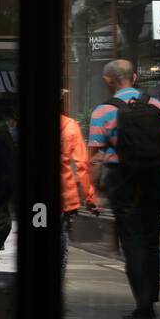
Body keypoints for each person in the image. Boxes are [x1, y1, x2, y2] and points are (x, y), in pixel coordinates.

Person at [88, 59, 160, 319]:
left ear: (109, 80)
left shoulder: (103, 111)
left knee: (132, 240)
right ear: (134, 77)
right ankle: (150, 300)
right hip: (155, 178)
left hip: (123, 180)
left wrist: (92, 191)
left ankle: (143, 306)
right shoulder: (157, 105)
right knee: (151, 240)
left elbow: (96, 159)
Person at [61, 103, 99, 277]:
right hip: (64, 195)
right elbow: (81, 165)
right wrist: (89, 198)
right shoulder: (70, 126)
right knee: (61, 238)